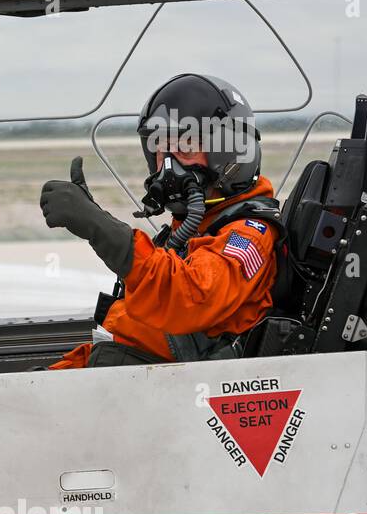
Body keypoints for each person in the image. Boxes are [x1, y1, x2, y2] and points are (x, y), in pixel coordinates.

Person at [39, 73, 281, 368]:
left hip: (167, 389)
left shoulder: (248, 236)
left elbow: (189, 297)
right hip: (125, 373)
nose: (168, 165)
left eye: (186, 146)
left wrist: (100, 228)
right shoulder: (195, 228)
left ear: (230, 154)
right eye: (160, 149)